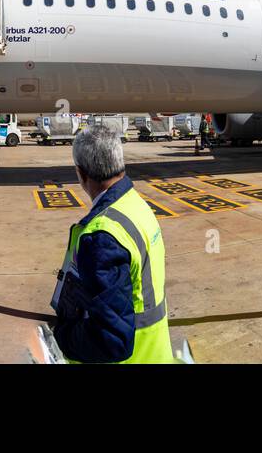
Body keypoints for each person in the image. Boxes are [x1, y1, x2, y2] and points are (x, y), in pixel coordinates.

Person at [51, 124, 173, 363]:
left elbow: (111, 340)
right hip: (155, 352)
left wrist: (63, 336)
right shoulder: (135, 205)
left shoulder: (102, 236)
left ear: (81, 174)